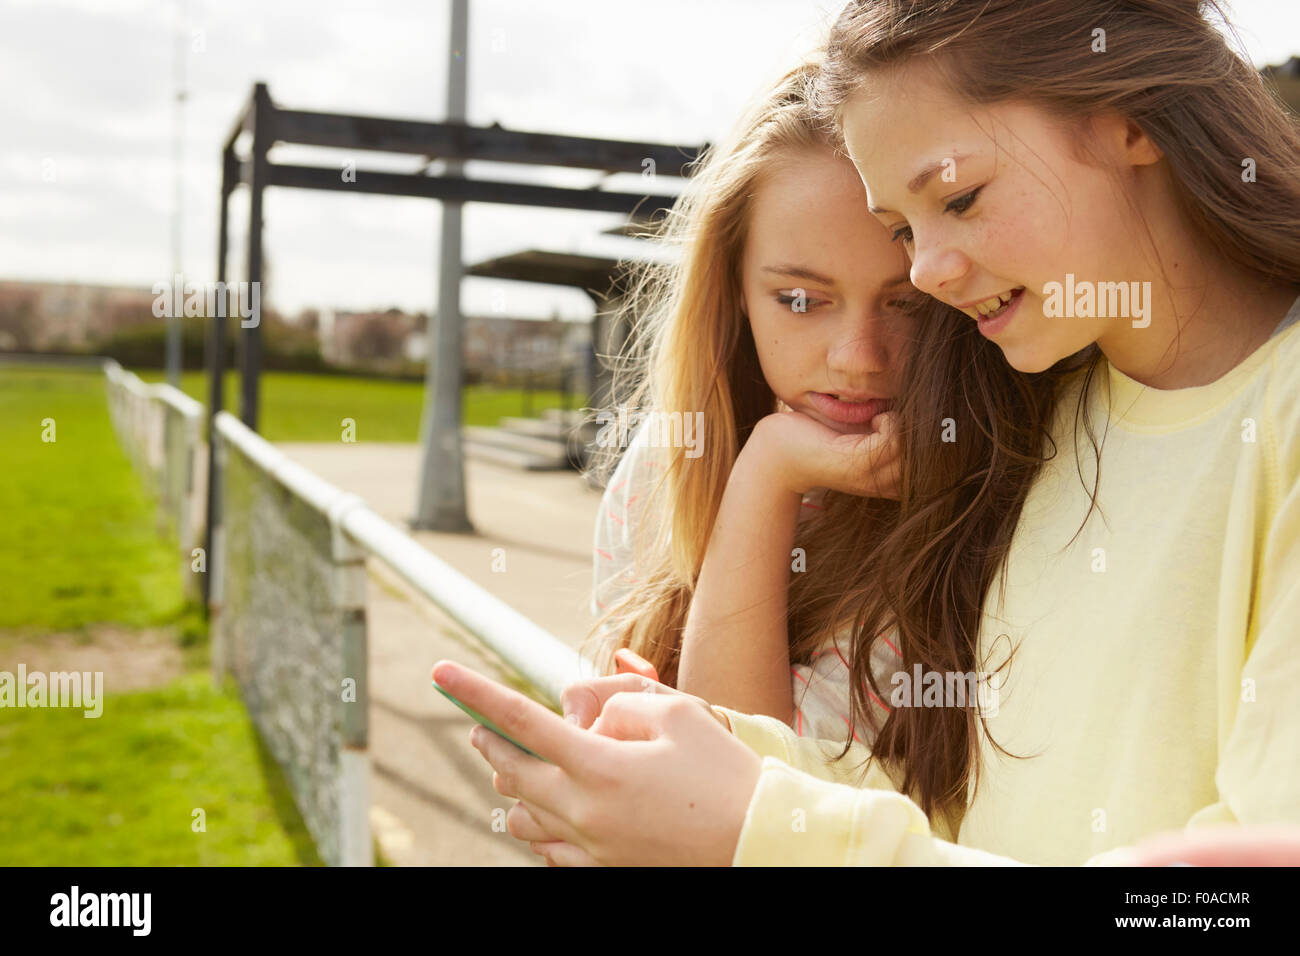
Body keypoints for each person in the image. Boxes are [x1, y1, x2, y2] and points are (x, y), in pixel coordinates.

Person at [456, 0, 1300, 866]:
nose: (927, 273)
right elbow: (961, 817)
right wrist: (693, 753)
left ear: (1132, 117)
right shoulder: (1045, 404)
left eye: (960, 198)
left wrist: (749, 824)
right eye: (903, 229)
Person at [587, 58, 1072, 756]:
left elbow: (743, 801)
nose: (857, 357)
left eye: (906, 304)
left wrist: (767, 474)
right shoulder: (668, 462)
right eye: (800, 301)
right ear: (732, 296)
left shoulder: (999, 506)